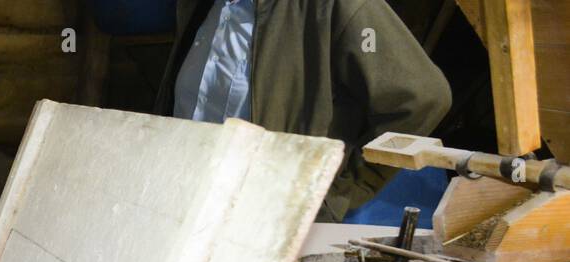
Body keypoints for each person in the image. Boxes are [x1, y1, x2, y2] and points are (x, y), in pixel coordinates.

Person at [155, 0, 453, 221]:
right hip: (188, 202)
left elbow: (423, 97)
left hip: (269, 219)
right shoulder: (204, 7)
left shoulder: (335, 6)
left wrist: (342, 189)